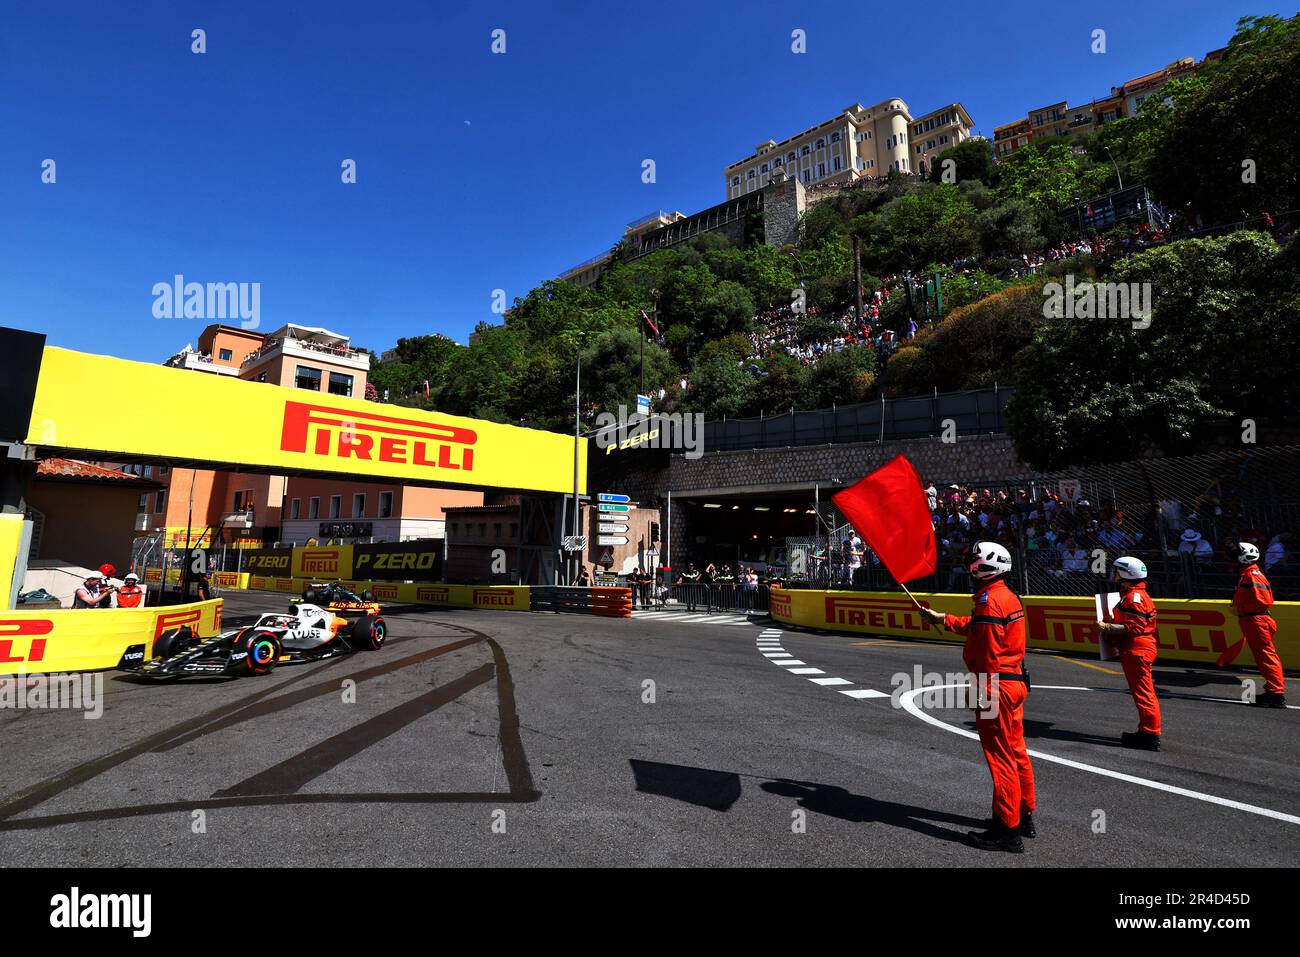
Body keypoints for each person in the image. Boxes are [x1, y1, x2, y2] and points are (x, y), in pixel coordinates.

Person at [920, 541, 1035, 853]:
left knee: (1001, 758)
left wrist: (979, 691)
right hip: (1013, 683)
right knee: (1016, 750)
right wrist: (943, 618)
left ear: (985, 566)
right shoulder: (1006, 595)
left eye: (974, 561)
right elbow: (977, 628)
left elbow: (985, 651)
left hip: (994, 685)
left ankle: (1006, 831)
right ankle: (1023, 814)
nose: (970, 566)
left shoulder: (987, 600)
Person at [1097, 556, 1162, 750]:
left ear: (1126, 573)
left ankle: (1150, 734)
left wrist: (1107, 627)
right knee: (1142, 692)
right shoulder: (1133, 594)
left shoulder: (1135, 597)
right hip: (1137, 648)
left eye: (1117, 571)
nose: (1114, 574)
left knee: (1144, 693)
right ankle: (1147, 730)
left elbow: (1133, 628)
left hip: (1137, 649)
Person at [1231, 542, 1286, 708]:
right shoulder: (1247, 573)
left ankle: (1276, 694)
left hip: (1256, 620)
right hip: (1252, 620)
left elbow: (1264, 601)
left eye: (1236, 553)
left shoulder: (1252, 574)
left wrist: (1239, 608)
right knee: (1263, 656)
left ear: (1244, 556)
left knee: (1266, 656)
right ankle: (1273, 691)